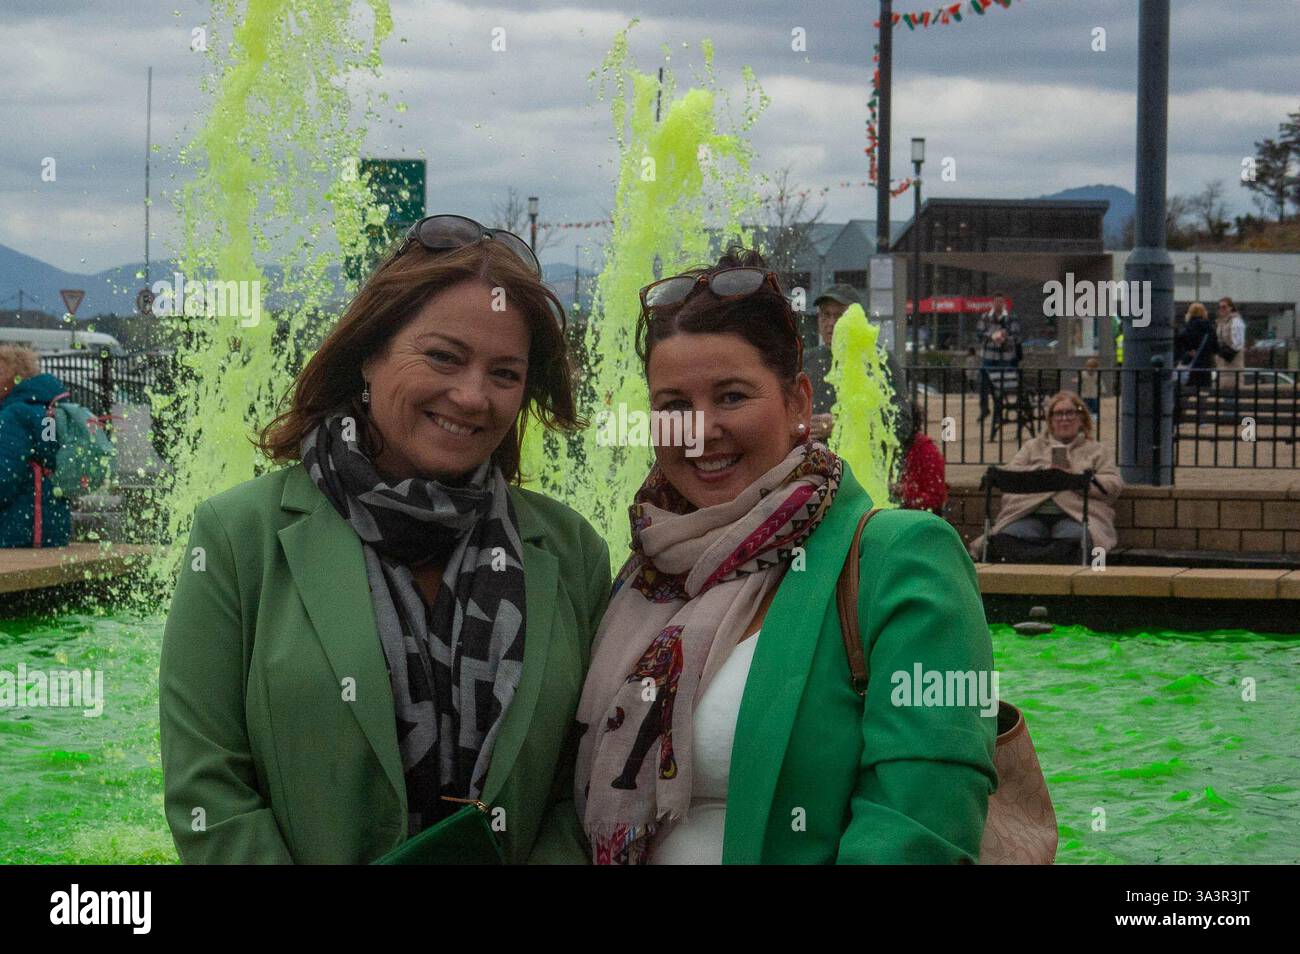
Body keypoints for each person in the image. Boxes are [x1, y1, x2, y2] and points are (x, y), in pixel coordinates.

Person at [160, 214, 611, 863]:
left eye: (505, 373)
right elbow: (208, 790)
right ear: (369, 354)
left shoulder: (572, 551)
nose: (472, 395)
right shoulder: (239, 537)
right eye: (443, 357)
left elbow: (583, 787)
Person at [574, 247, 997, 865]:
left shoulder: (900, 557)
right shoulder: (644, 572)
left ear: (799, 403)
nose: (700, 429)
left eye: (732, 396)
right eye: (673, 407)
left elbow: (921, 828)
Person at [969, 390, 1123, 561]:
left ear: (1081, 418)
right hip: (1028, 513)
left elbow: (1113, 485)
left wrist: (1075, 477)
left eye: (1070, 412)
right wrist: (1045, 471)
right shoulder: (1032, 447)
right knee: (1006, 539)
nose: (1064, 418)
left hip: (1075, 515)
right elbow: (1012, 473)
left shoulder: (1097, 450)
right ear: (1050, 420)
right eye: (1058, 413)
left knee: (1076, 542)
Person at [805, 283, 909, 443]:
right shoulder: (806, 361)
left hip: (860, 463)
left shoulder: (880, 362)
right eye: (825, 315)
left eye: (839, 316)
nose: (831, 323)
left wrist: (841, 425)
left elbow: (902, 424)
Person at [0, 345, 71, 548]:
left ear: (17, 376)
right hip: (52, 531)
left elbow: (4, 478)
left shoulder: (14, 415)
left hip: (13, 534)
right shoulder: (47, 411)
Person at [892, 401, 947, 516]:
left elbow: (935, 499)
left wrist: (904, 492)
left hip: (919, 520)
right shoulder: (889, 449)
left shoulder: (927, 452)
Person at [976, 292, 1021, 424]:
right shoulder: (985, 317)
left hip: (1004, 358)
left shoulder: (1011, 318)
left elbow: (1017, 336)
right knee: (984, 385)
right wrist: (992, 336)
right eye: (996, 302)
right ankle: (984, 409)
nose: (998, 305)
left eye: (1001, 302)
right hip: (988, 356)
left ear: (1004, 304)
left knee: (1000, 387)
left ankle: (998, 413)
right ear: (993, 303)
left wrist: (1004, 338)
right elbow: (979, 334)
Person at [1176, 302, 1215, 389]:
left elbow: (1179, 346)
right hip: (1205, 367)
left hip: (1190, 366)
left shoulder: (1187, 328)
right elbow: (1215, 347)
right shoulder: (1210, 328)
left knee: (1188, 393)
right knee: (1204, 392)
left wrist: (1187, 353)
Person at [1213, 296, 1247, 374]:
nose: (1221, 309)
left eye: (1224, 307)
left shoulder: (1236, 321)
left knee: (1231, 383)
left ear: (1230, 308)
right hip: (1221, 362)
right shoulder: (1221, 322)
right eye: (1219, 307)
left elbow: (1238, 343)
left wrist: (1226, 353)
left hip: (1232, 361)